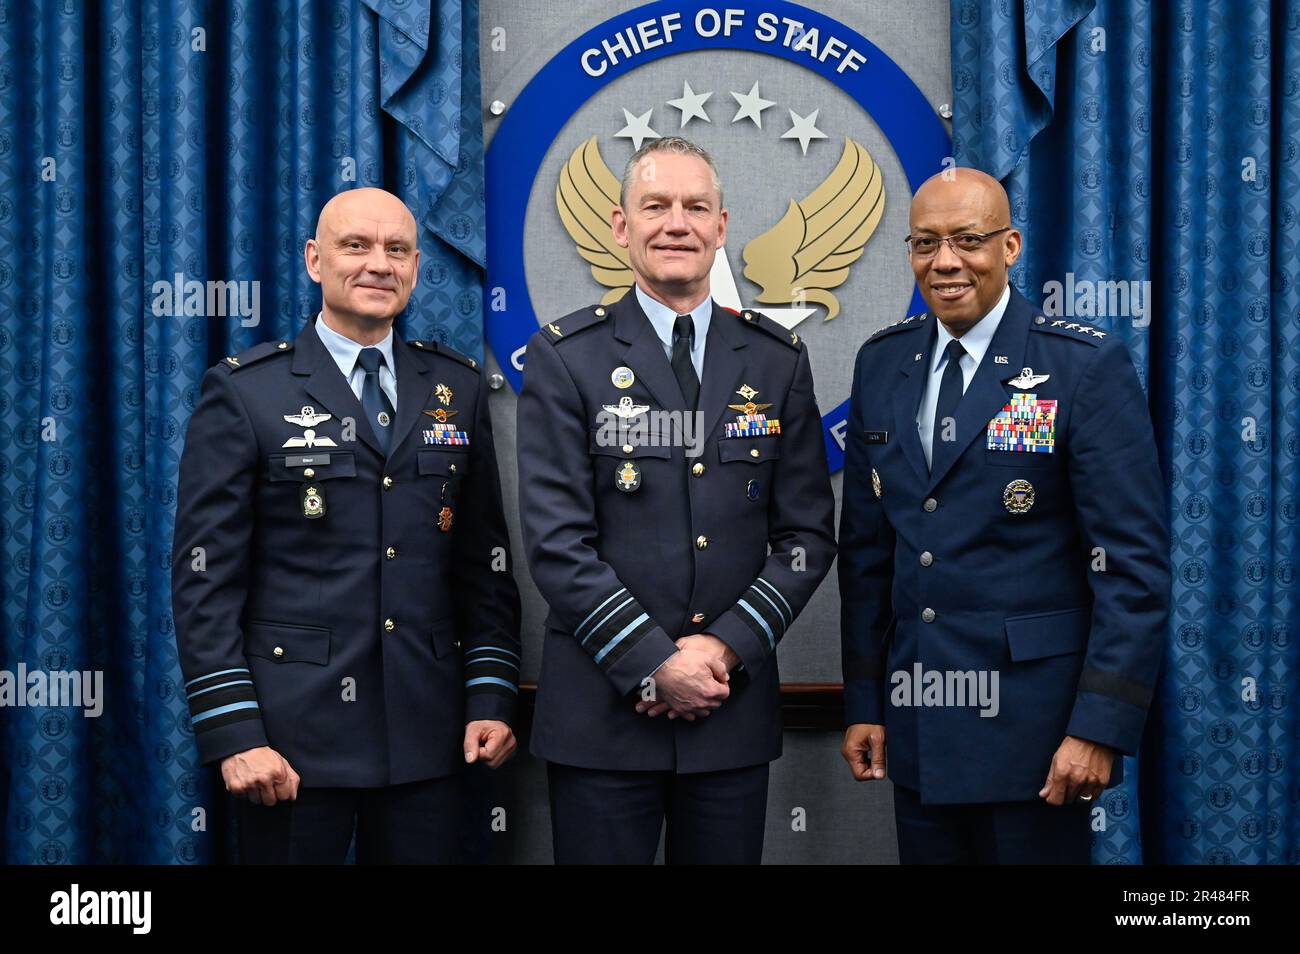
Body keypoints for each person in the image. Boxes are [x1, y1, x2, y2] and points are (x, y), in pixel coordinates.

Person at [171, 187, 521, 863]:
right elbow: (204, 581)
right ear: (314, 260)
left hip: (430, 738)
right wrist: (235, 732)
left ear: (417, 265)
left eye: (395, 249)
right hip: (288, 746)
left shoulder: (459, 388)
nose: (377, 264)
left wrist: (490, 696)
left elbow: (484, 568)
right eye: (355, 246)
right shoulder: (247, 391)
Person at [518, 137, 836, 864]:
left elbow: (807, 536)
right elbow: (557, 544)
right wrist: (654, 661)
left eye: (696, 207)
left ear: (722, 228)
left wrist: (720, 649)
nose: (676, 223)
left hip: (729, 711)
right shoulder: (567, 357)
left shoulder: (776, 358)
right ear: (619, 226)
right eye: (655, 205)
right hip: (602, 718)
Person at [838, 168, 1169, 864]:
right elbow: (867, 556)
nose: (946, 261)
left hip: (1039, 739)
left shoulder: (1081, 365)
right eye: (926, 243)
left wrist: (1099, 727)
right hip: (920, 725)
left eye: (969, 240)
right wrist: (866, 700)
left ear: (1011, 245)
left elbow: (1132, 568)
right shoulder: (882, 363)